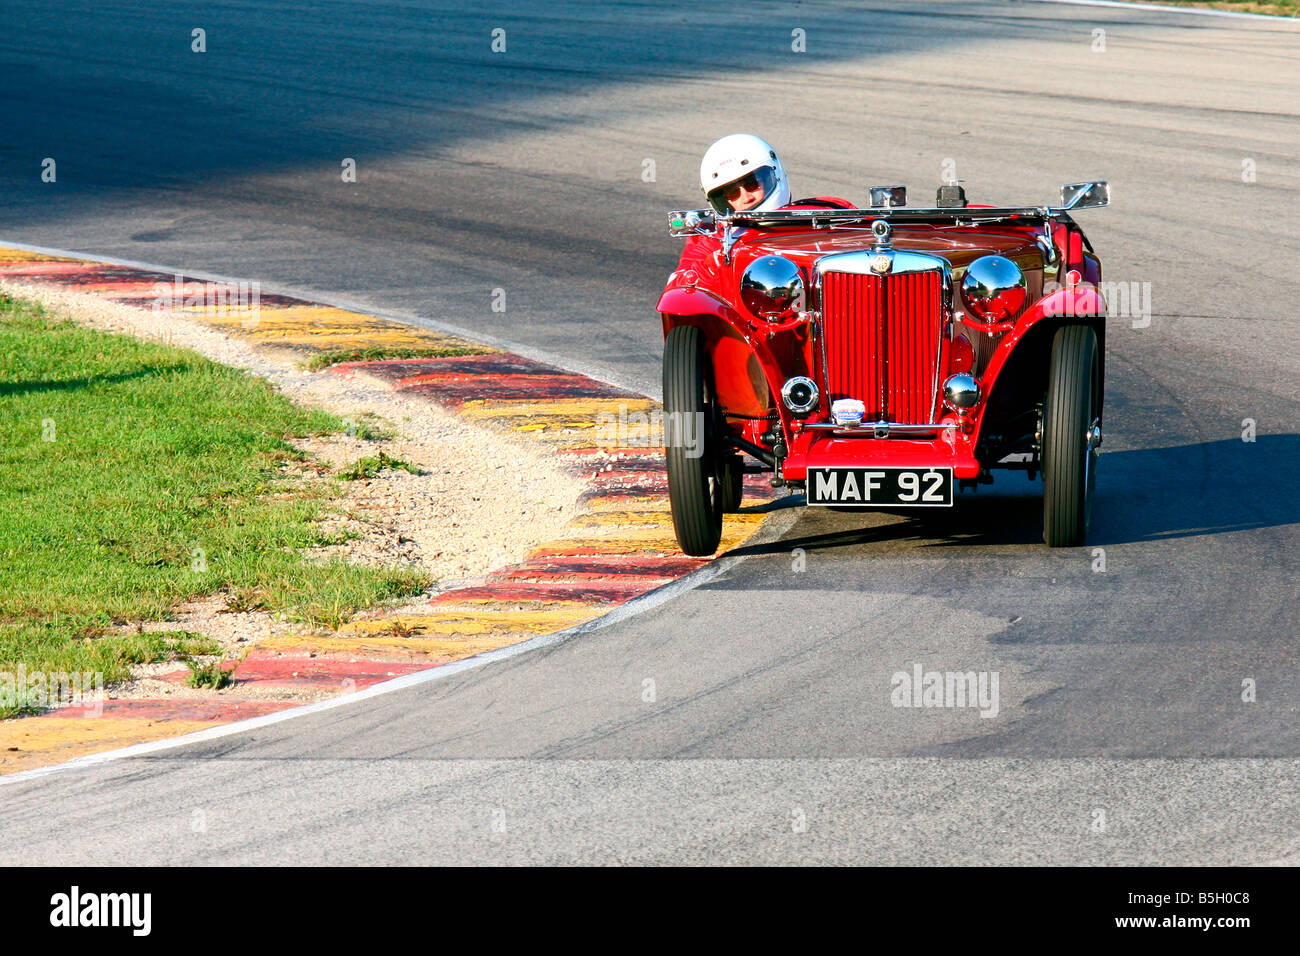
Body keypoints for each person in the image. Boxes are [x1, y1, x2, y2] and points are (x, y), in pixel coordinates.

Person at [699, 133, 852, 214]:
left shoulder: (829, 210)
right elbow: (689, 267)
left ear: (771, 177)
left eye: (752, 184)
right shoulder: (712, 238)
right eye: (732, 193)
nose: (746, 198)